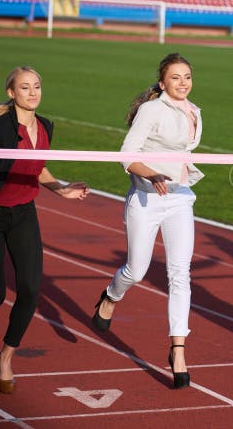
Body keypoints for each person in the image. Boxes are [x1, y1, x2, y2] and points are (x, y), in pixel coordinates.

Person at [91, 53, 203, 390]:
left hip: (179, 198)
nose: (182, 83)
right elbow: (127, 155)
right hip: (146, 199)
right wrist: (152, 174)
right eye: (175, 77)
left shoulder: (195, 111)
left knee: (180, 274)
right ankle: (110, 297)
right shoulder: (151, 110)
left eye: (187, 77)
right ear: (162, 82)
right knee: (136, 271)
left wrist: (173, 175)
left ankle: (178, 351)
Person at [0, 66, 90, 394]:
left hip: (23, 214)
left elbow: (36, 166)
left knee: (30, 288)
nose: (32, 93)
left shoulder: (45, 127)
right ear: (11, 92)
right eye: (25, 87)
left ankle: (5, 357)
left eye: (37, 86)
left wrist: (61, 189)